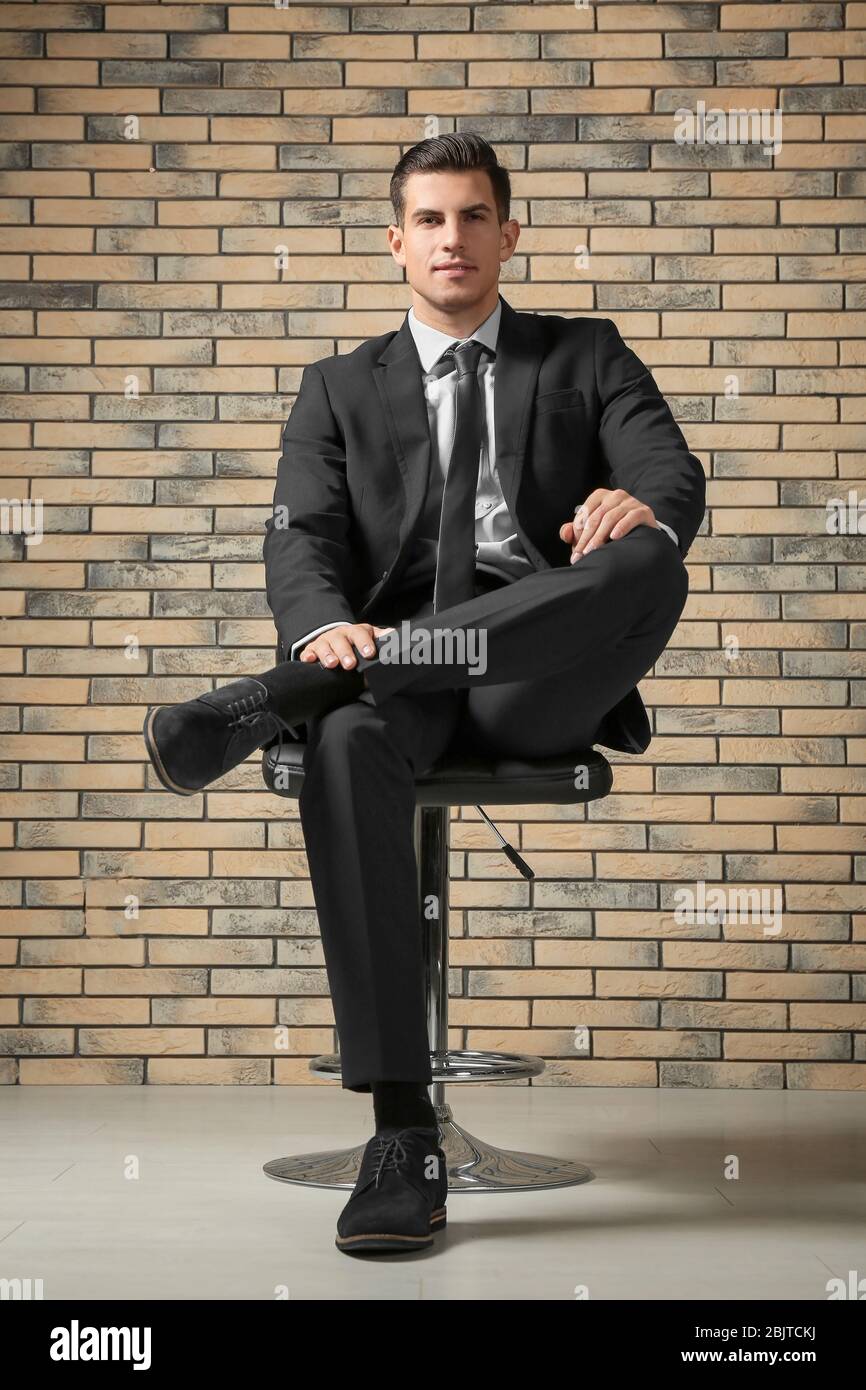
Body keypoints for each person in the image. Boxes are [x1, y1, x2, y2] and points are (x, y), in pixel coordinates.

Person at [143, 133, 705, 1257]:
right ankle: (402, 1134)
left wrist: (635, 505)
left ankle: (276, 696)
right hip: (384, 672)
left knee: (650, 557)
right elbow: (300, 536)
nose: (453, 238)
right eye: (430, 220)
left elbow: (668, 472)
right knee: (349, 737)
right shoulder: (338, 387)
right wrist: (322, 630)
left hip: (530, 679)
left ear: (509, 232)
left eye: (474, 216)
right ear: (397, 241)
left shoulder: (584, 354)